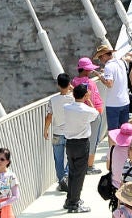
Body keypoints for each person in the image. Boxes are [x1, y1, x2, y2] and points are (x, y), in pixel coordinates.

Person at [59, 83, 99, 212]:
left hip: (70, 144)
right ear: (85, 95)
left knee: (72, 172)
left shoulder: (67, 107)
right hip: (82, 144)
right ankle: (74, 203)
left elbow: (72, 101)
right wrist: (88, 100)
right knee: (79, 174)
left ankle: (69, 199)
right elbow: (96, 114)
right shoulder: (87, 110)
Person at [43, 73, 74, 193]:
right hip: (70, 133)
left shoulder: (53, 100)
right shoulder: (73, 99)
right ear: (69, 84)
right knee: (71, 157)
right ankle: (66, 176)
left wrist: (45, 130)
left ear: (58, 85)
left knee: (58, 159)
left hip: (56, 133)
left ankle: (62, 181)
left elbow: (49, 117)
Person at [97, 42, 132, 130]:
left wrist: (101, 77)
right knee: (124, 130)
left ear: (104, 55)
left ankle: (112, 145)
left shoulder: (108, 67)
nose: (100, 59)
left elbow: (109, 84)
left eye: (100, 57)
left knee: (113, 131)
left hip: (113, 104)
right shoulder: (121, 62)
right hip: (125, 101)